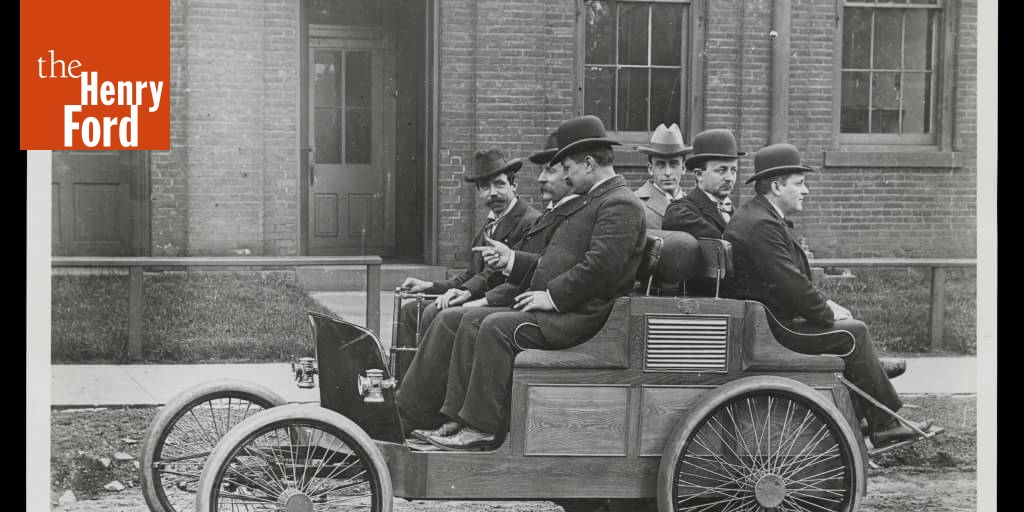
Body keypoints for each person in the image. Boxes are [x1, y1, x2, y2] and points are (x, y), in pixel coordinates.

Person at [397, 115, 647, 451]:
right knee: (468, 320)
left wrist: (552, 296)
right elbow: (555, 261)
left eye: (567, 167)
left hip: (582, 317)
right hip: (565, 308)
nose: (566, 177)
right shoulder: (593, 200)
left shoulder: (620, 203)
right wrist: (515, 262)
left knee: (496, 328)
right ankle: (455, 416)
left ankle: (482, 428)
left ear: (588, 164)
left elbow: (600, 267)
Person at [722, 143, 934, 449]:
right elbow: (790, 284)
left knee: (851, 329)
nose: (805, 191)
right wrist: (825, 312)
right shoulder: (761, 225)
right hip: (775, 329)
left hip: (769, 320)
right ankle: (884, 424)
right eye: (799, 183)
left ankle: (869, 384)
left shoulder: (759, 217)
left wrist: (827, 306)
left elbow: (791, 280)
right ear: (776, 186)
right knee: (855, 334)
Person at [393, 148, 540, 380]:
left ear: (514, 185)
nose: (493, 193)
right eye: (485, 187)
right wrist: (428, 286)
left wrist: (462, 292)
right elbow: (471, 274)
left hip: (503, 303)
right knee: (410, 311)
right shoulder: (489, 225)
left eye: (499, 184)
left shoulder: (529, 222)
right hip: (479, 297)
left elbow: (491, 276)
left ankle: (428, 391)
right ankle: (404, 381)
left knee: (435, 311)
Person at [661, 128, 745, 296]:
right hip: (704, 304)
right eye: (721, 170)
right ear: (699, 175)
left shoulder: (736, 212)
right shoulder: (680, 211)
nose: (729, 177)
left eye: (733, 170)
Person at [633, 123, 692, 229]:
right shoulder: (635, 204)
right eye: (661, 165)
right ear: (650, 168)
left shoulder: (694, 204)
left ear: (683, 168)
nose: (668, 172)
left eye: (674, 165)